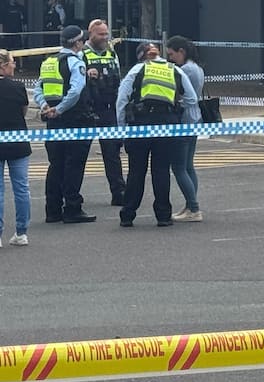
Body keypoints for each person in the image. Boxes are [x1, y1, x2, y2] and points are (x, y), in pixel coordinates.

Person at [116, 41, 198, 228]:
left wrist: (121, 129)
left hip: (140, 124)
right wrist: (173, 106)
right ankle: (163, 216)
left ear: (141, 56)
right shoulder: (175, 70)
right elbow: (192, 99)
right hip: (167, 125)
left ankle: (127, 215)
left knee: (136, 171)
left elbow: (122, 100)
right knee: (161, 171)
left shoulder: (137, 70)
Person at [32, 24, 98, 223]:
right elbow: (76, 91)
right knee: (74, 165)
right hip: (75, 120)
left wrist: (46, 108)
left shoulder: (49, 61)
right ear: (77, 43)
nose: (84, 43)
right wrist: (59, 109)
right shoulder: (75, 62)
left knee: (56, 164)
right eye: (82, 41)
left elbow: (38, 89)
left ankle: (52, 210)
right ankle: (72, 208)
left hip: (54, 122)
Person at [84, 19, 126, 206]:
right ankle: (70, 196)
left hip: (109, 109)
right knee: (78, 155)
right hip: (88, 110)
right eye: (101, 34)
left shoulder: (111, 52)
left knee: (112, 153)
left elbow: (118, 77)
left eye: (106, 33)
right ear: (91, 34)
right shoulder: (81, 54)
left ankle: (119, 193)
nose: (105, 37)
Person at [165, 35, 203, 222]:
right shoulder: (197, 68)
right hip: (194, 120)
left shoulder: (184, 71)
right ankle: (190, 205)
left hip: (184, 122)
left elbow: (180, 95)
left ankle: (193, 208)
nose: (170, 58)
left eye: (172, 54)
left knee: (179, 167)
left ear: (182, 52)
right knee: (188, 166)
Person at [0, 49, 31, 246]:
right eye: (11, 62)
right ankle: (21, 232)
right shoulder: (18, 87)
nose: (14, 65)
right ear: (3, 66)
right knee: (21, 187)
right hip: (18, 142)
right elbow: (24, 111)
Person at [2, 0, 27, 67]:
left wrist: (24, 32)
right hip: (8, 32)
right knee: (8, 49)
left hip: (18, 32)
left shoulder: (20, 8)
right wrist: (1, 32)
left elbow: (24, 21)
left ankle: (21, 66)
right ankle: (8, 65)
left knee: (19, 49)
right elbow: (2, 21)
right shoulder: (5, 8)